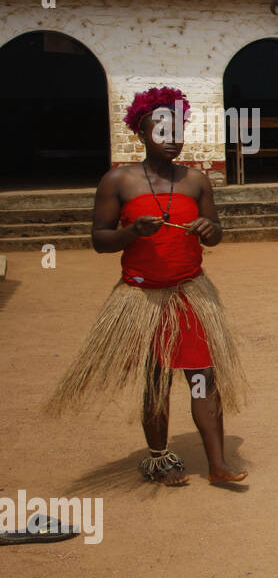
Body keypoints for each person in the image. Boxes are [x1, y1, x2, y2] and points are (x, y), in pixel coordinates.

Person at [48, 87, 247, 487]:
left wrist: (210, 230)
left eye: (177, 130)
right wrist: (131, 233)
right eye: (161, 131)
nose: (171, 138)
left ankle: (218, 464)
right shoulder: (118, 180)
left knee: (203, 377)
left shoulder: (196, 180)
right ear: (141, 134)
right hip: (141, 297)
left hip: (190, 293)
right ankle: (159, 459)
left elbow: (215, 235)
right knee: (155, 378)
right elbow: (100, 240)